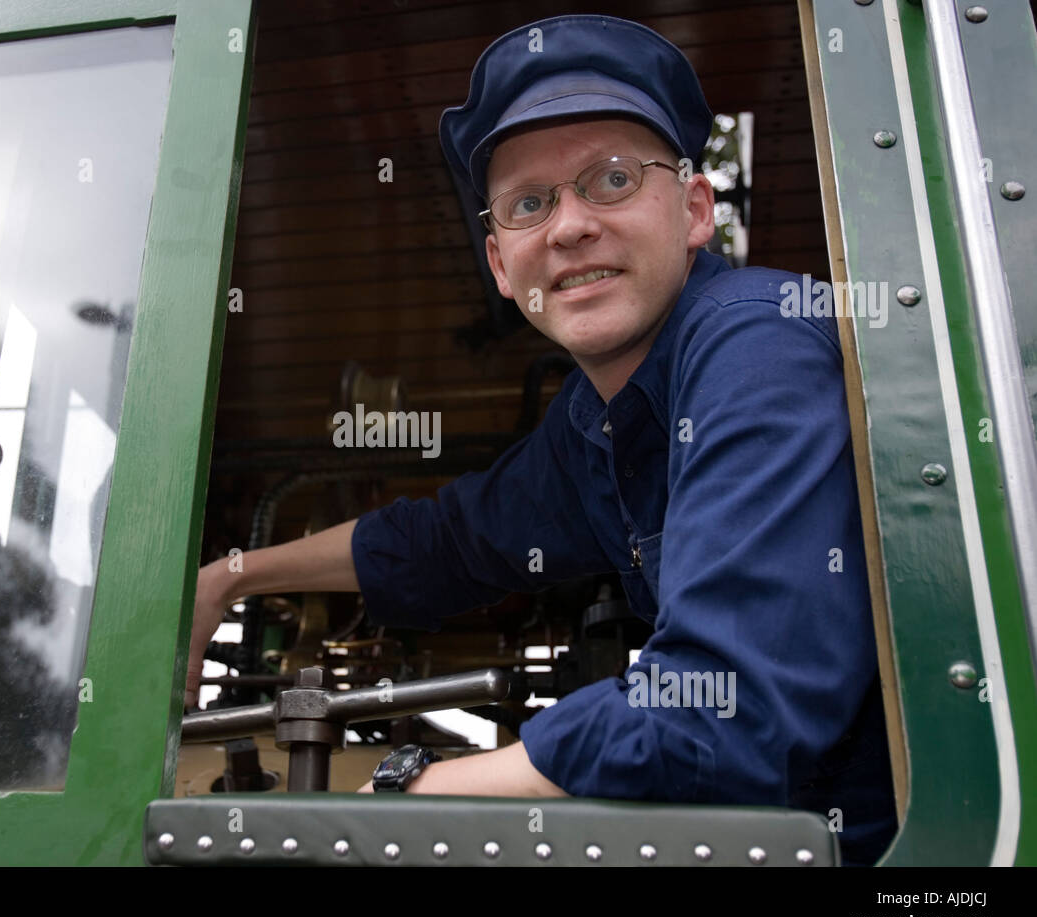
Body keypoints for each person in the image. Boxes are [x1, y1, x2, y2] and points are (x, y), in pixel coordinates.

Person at [187, 13, 898, 865]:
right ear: (500, 263)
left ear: (696, 210)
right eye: (530, 203)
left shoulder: (755, 343)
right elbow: (447, 541)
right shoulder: (592, 422)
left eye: (610, 180)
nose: (567, 228)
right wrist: (229, 579)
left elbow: (722, 714)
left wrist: (413, 793)